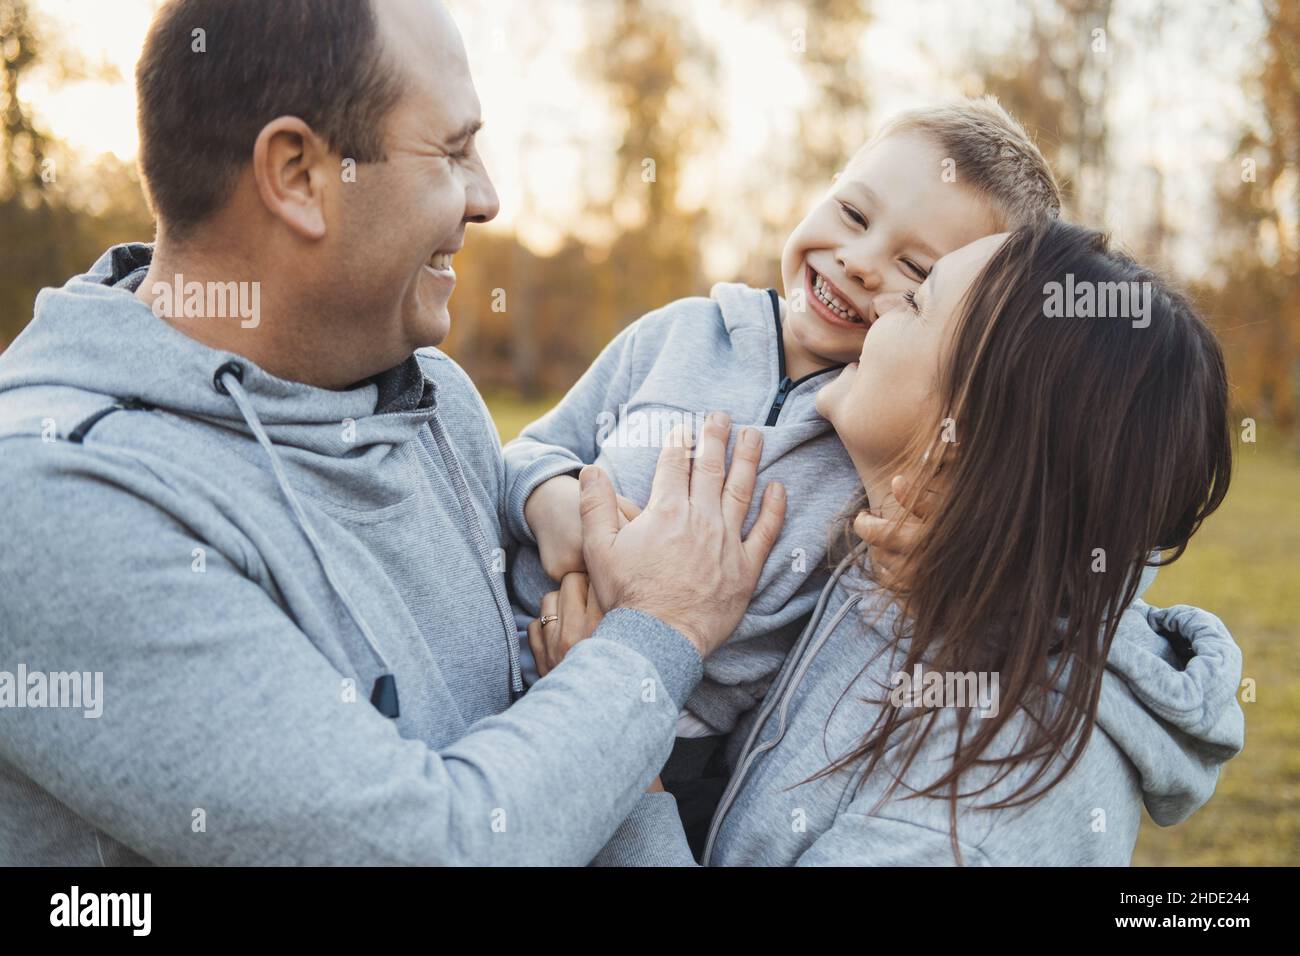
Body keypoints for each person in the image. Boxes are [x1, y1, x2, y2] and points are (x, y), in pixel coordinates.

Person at [0, 0, 783, 865]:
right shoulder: (50, 503)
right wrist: (661, 634)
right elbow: (428, 849)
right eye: (451, 153)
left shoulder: (435, 398)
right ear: (299, 174)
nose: (487, 198)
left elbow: (556, 727)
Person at [541, 219, 1245, 865]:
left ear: (969, 432)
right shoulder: (901, 570)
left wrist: (612, 745)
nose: (877, 305)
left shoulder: (989, 820)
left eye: (917, 300)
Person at [506, 99, 1063, 847]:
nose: (860, 261)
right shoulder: (678, 334)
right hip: (512, 655)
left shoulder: (882, 442)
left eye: (914, 269)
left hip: (677, 751)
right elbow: (530, 451)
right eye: (854, 214)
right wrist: (559, 512)